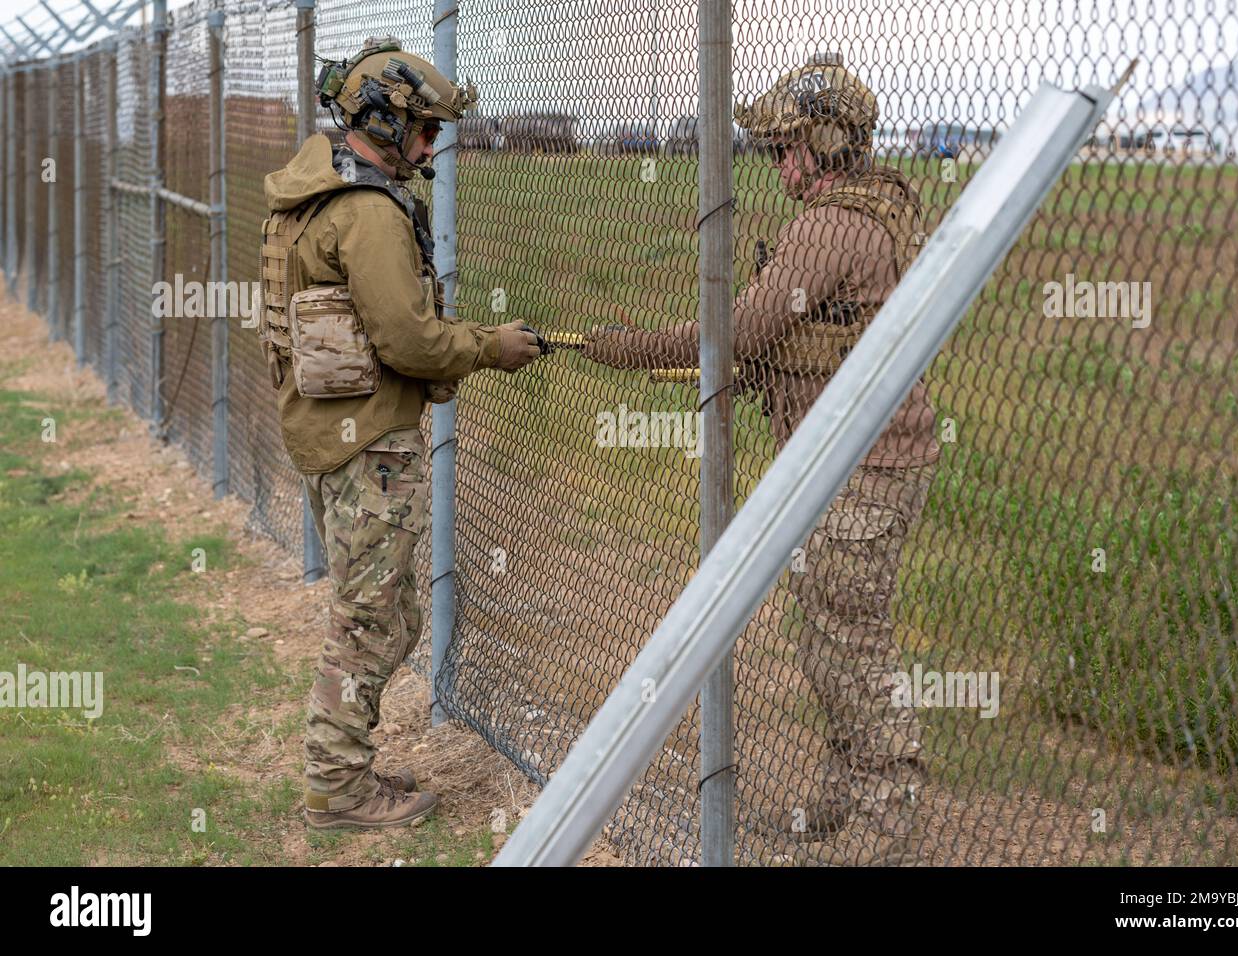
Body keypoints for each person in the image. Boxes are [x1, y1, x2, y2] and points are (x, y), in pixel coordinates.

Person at [583, 53, 941, 863]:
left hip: (866, 465)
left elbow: (738, 331)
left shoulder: (830, 224)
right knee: (826, 634)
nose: (778, 164)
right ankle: (849, 788)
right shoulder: (882, 207)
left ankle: (889, 810)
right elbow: (815, 334)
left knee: (850, 640)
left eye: (787, 148)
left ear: (825, 143)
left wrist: (630, 348)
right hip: (854, 457)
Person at [258, 35, 541, 830]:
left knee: (383, 614)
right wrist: (493, 345)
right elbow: (409, 341)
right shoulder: (366, 213)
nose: (429, 149)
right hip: (367, 449)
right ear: (384, 123)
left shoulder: (304, 199)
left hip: (331, 438)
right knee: (371, 619)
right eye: (422, 132)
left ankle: (341, 770)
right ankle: (337, 788)